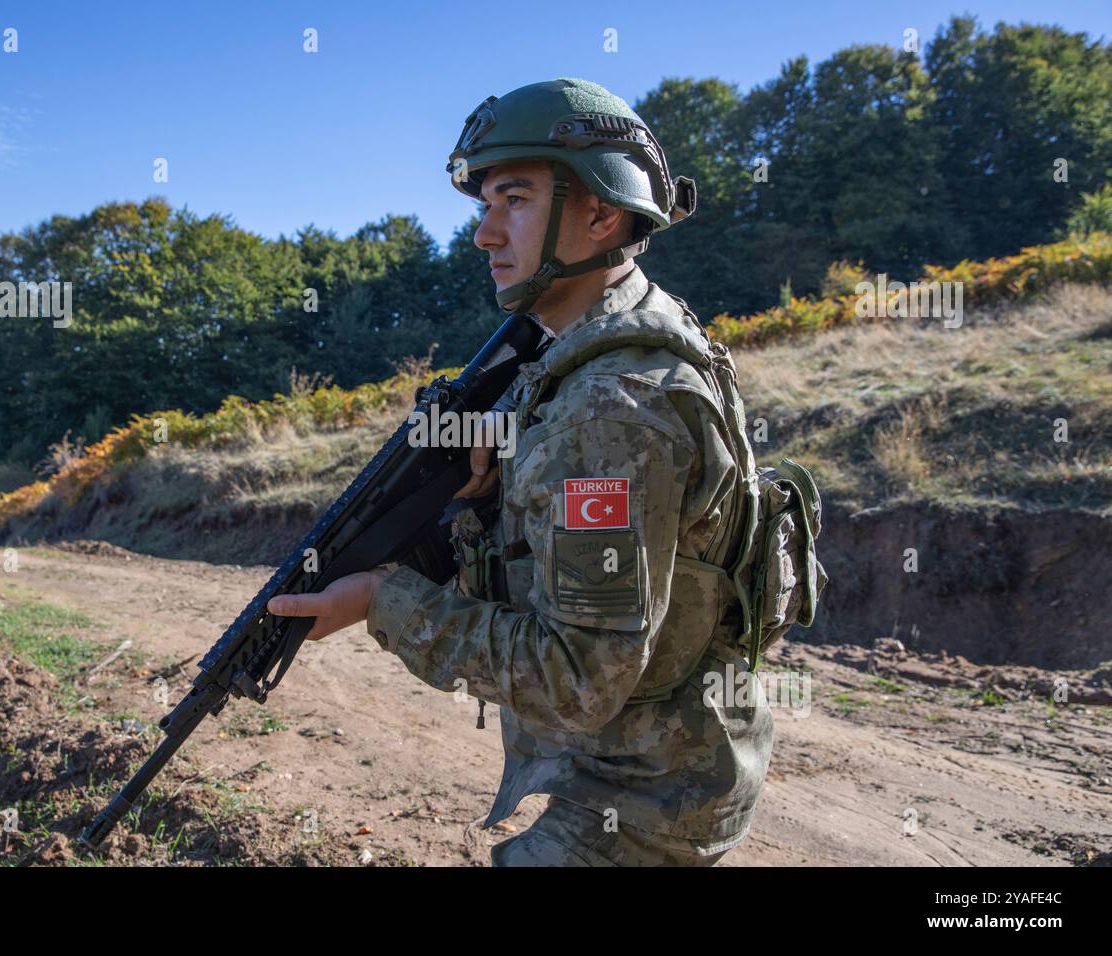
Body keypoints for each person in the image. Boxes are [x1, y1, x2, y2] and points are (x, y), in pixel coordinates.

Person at [268, 78, 773, 866]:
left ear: (602, 213)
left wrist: (381, 602)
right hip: (633, 759)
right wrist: (507, 450)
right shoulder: (605, 344)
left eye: (514, 200)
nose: (484, 234)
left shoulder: (613, 406)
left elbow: (578, 679)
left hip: (642, 794)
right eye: (483, 207)